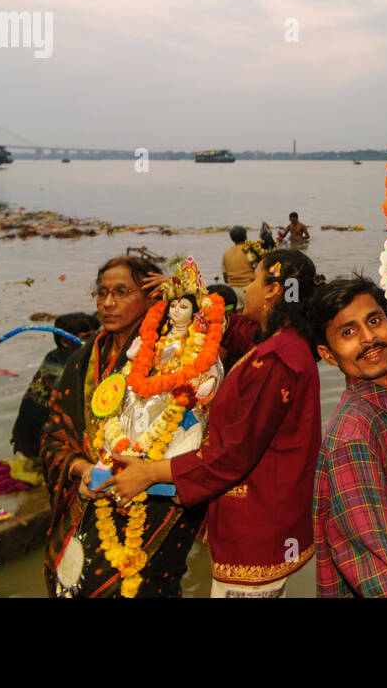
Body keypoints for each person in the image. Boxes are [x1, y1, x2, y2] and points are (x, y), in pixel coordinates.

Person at [106, 249, 322, 597]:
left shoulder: (276, 362)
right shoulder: (279, 342)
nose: (247, 289)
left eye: (254, 280)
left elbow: (231, 455)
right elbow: (231, 328)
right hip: (267, 521)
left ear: (271, 290)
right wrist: (188, 295)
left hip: (257, 528)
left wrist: (149, 473)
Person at [41, 255, 212, 598]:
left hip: (155, 504)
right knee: (75, 584)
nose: (107, 303)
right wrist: (81, 468)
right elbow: (52, 434)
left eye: (121, 292)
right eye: (102, 293)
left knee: (145, 587)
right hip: (89, 497)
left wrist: (179, 293)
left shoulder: (174, 354)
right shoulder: (79, 362)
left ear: (151, 297)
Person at [310, 276, 387, 597]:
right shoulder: (354, 437)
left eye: (374, 321)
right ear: (328, 354)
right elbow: (372, 567)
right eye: (348, 332)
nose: (369, 338)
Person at [10, 312, 99, 461]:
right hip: (42, 445)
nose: (94, 341)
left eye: (95, 335)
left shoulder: (52, 356)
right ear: (65, 341)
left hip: (24, 440)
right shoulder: (75, 364)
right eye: (87, 337)